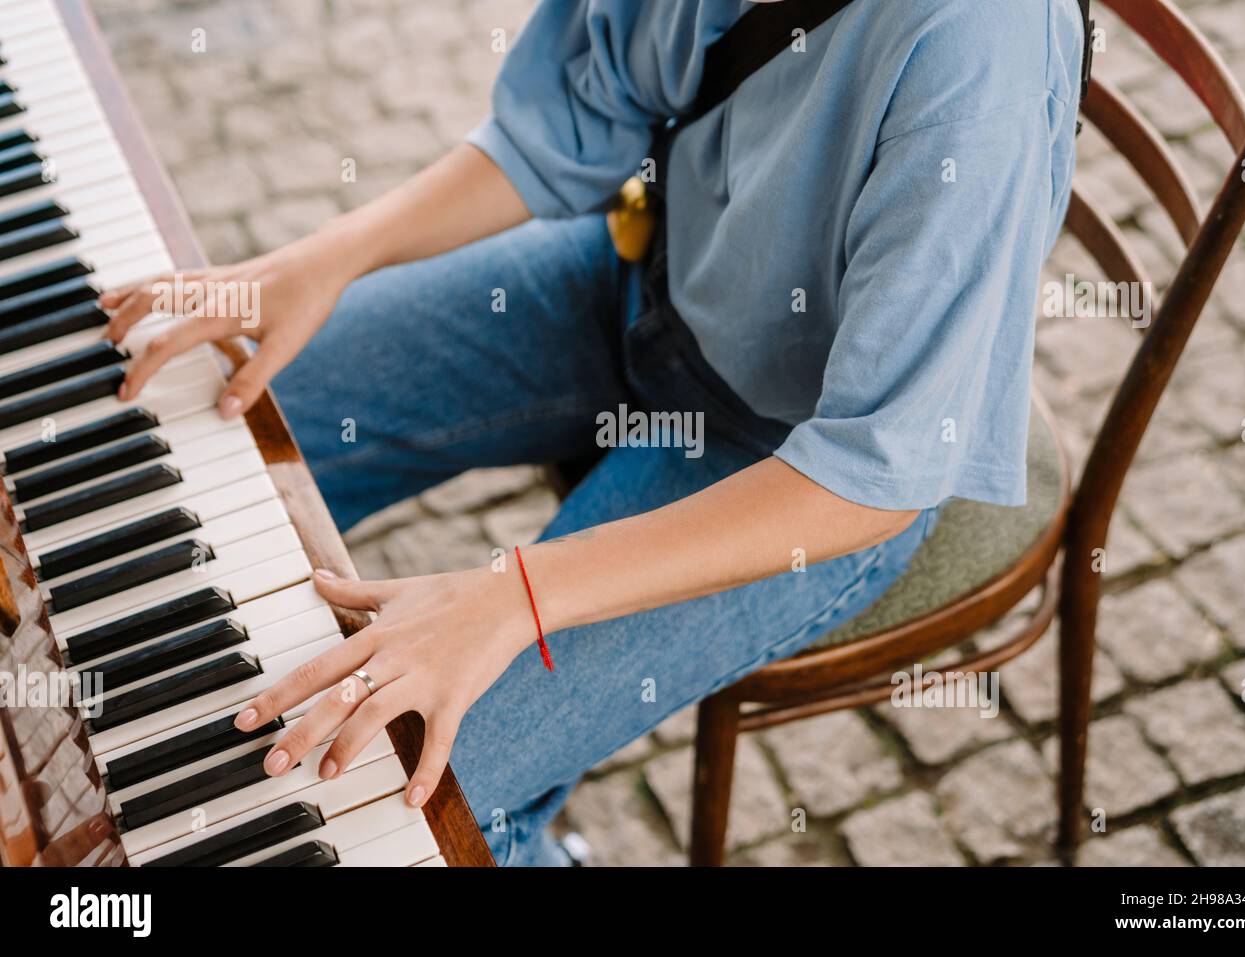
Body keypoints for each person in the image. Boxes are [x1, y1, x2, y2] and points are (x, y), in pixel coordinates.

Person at [101, 0, 1084, 865]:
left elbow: (877, 467)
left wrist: (513, 594)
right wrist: (323, 260)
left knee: (375, 801)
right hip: (639, 269)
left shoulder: (979, 41)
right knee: (183, 426)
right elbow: (573, 120)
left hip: (798, 464)